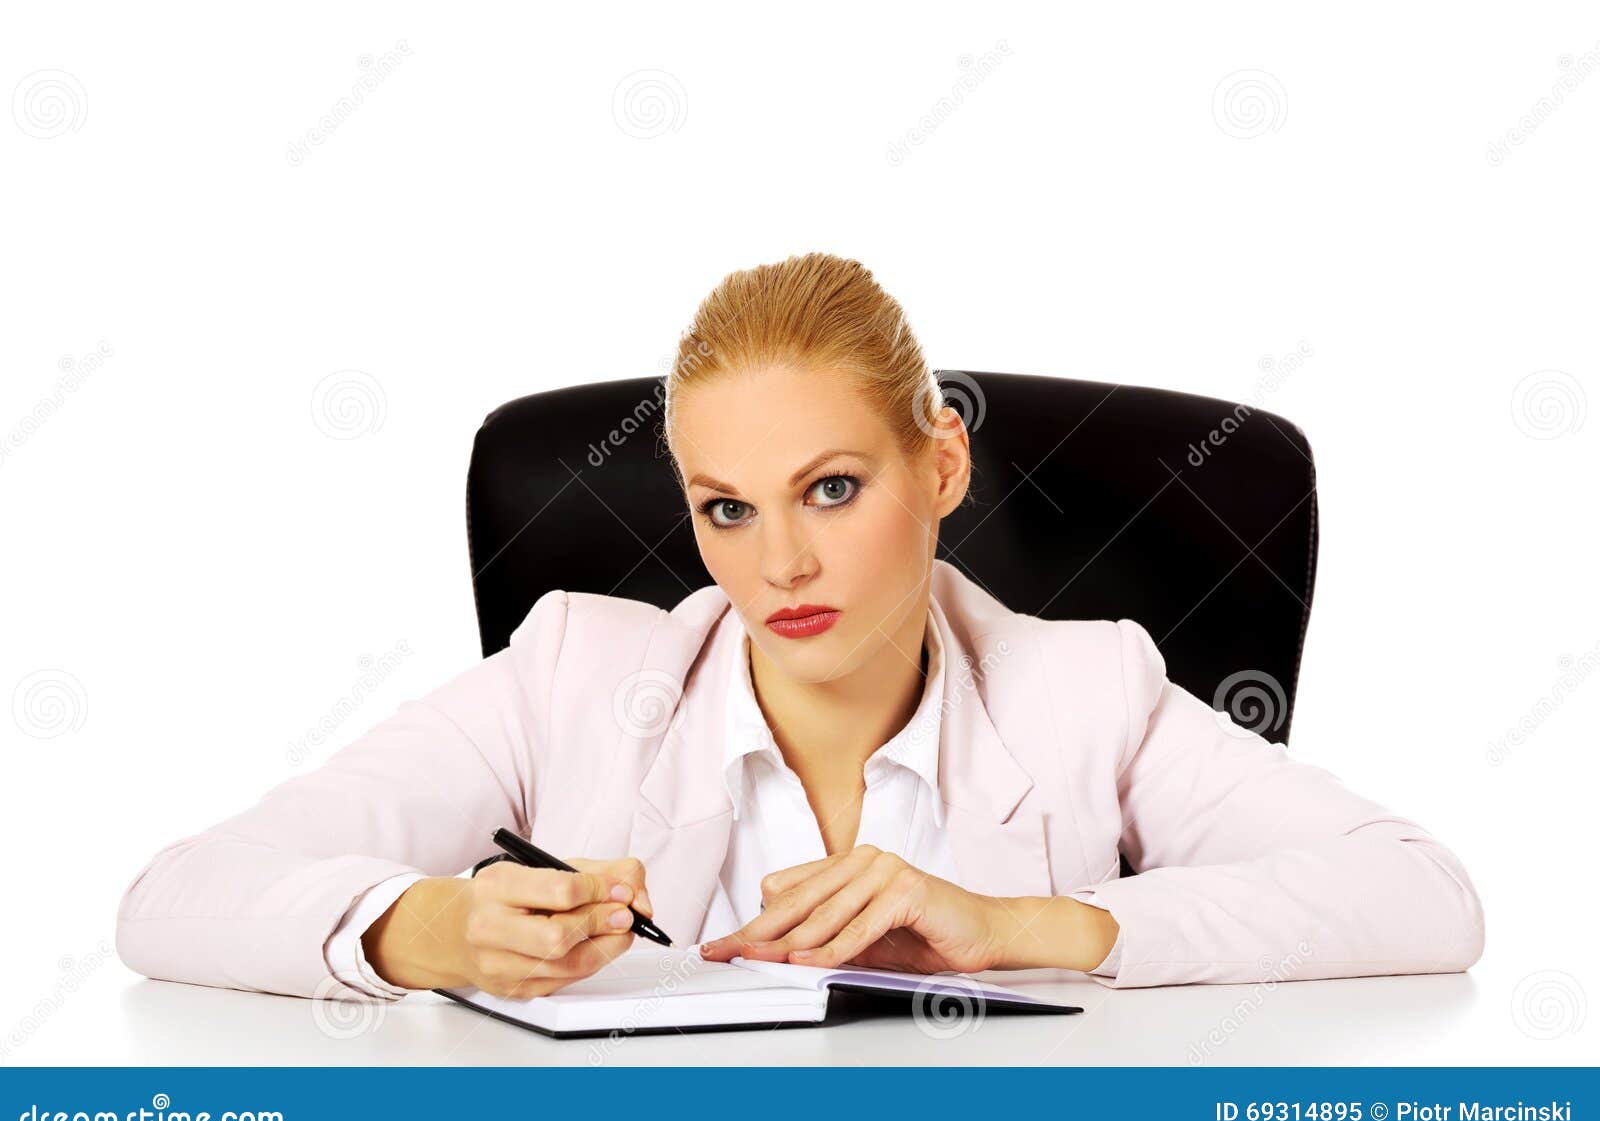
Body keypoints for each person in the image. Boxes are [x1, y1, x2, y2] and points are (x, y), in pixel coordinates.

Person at [115, 253, 1485, 1004]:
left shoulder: (1089, 691)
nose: (778, 562)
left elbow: (1425, 898)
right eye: (724, 506)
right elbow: (170, 897)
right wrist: (428, 928)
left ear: (940, 465)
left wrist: (1010, 923)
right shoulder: (573, 677)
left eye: (833, 487)